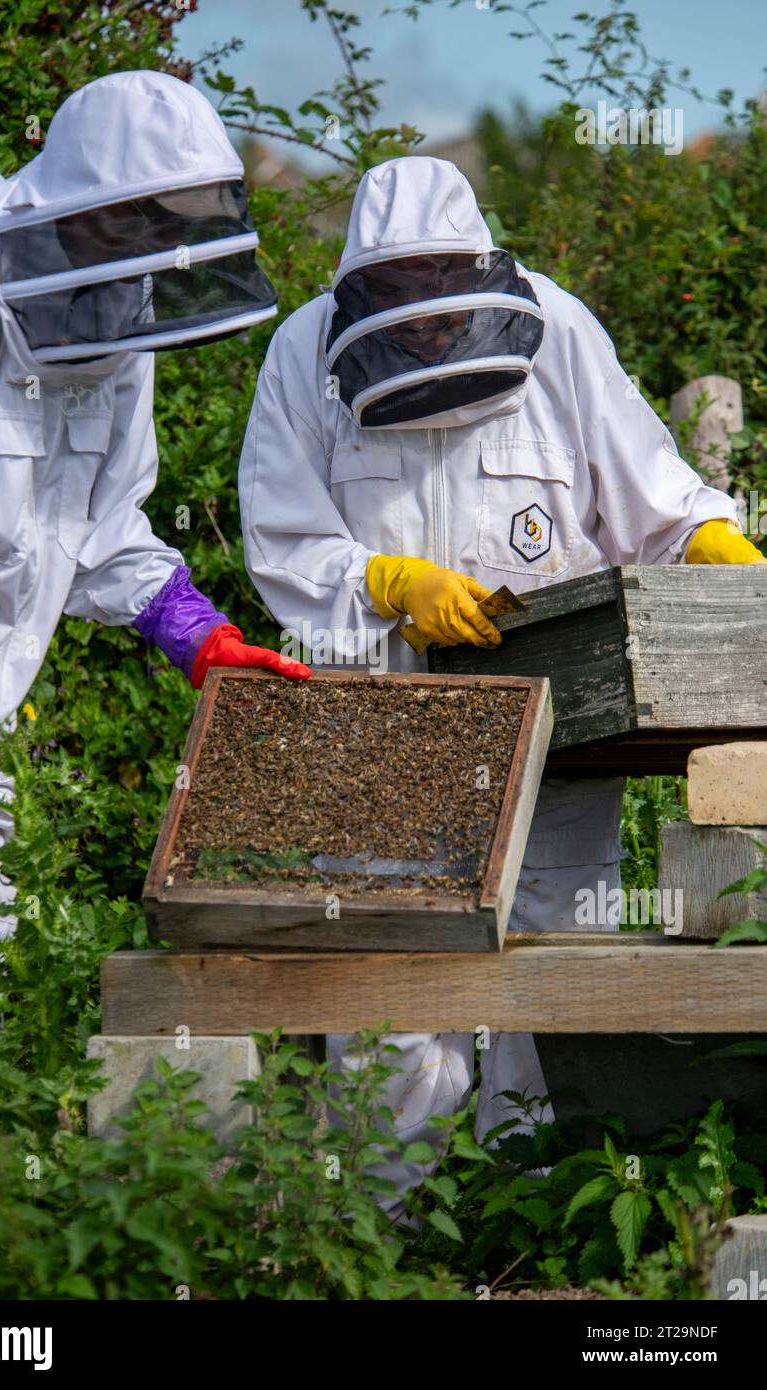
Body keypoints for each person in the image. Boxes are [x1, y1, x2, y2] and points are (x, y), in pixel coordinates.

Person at [238, 155, 764, 1211]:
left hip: (563, 720)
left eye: (445, 293)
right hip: (388, 722)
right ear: (362, 284)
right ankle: (381, 1230)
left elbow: (646, 490)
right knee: (392, 970)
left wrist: (715, 544)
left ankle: (513, 1216)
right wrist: (381, 580)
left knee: (552, 951)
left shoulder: (555, 325)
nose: (429, 326)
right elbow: (280, 535)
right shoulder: (302, 352)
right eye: (405, 298)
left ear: (480, 266)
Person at [0, 70, 309, 1109]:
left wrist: (194, 630)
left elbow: (97, 523)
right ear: (87, 195)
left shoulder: (121, 315)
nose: (154, 240)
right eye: (140, 215)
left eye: (176, 221)